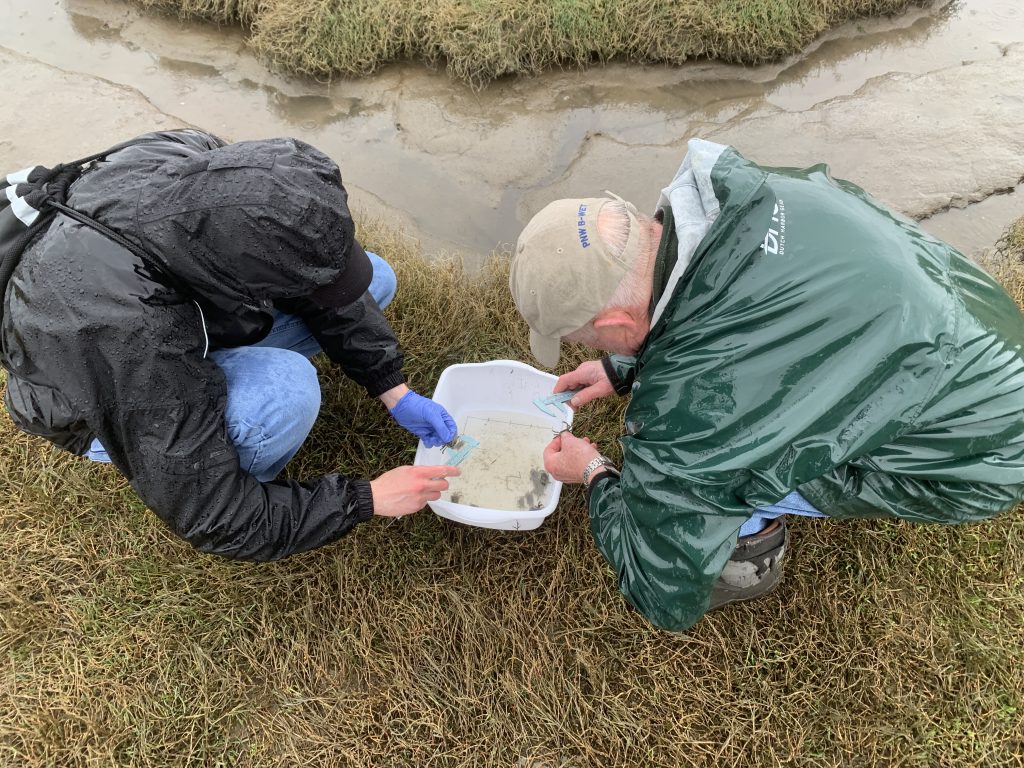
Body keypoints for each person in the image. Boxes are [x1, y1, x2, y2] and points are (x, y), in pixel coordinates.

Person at [509, 138, 1024, 632]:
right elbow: (736, 316)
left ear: (616, 325)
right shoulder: (751, 196)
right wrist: (623, 367)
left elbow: (661, 588)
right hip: (991, 341)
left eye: (587, 341)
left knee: (713, 480)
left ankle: (750, 557)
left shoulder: (697, 403)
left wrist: (594, 471)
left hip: (981, 464)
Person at [0, 129, 459, 560]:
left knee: (371, 277)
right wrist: (367, 499)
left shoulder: (192, 153)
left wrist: (392, 389)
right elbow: (212, 517)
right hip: (91, 388)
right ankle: (243, 471)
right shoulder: (119, 325)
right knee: (285, 390)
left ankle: (224, 390)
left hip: (164, 311)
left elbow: (311, 271)